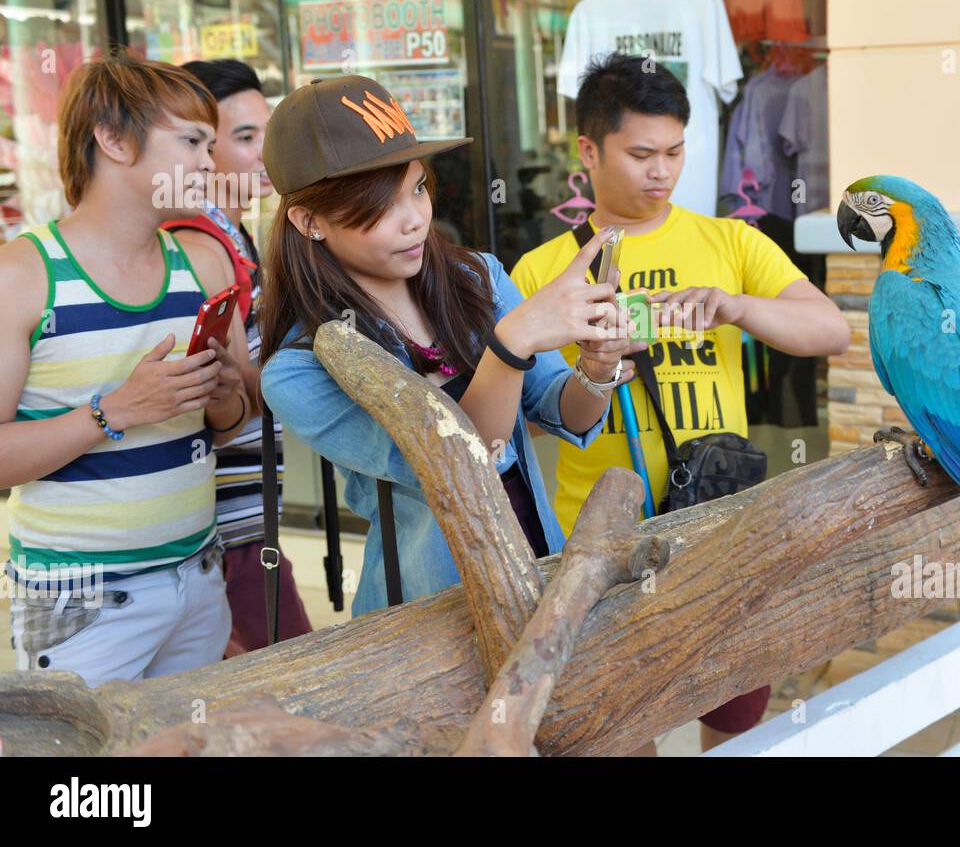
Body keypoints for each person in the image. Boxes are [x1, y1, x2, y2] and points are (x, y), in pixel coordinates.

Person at [511, 52, 850, 753]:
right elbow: (534, 414)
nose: (661, 171)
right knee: (614, 724)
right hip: (599, 543)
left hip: (718, 526)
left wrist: (736, 305)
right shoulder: (544, 270)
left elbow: (831, 330)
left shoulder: (727, 240)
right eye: (640, 154)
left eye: (674, 151)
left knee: (731, 719)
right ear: (588, 150)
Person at [257, 74, 632, 616]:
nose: (414, 219)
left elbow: (565, 414)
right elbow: (456, 465)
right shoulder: (299, 369)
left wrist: (598, 363)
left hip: (542, 568)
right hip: (431, 610)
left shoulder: (478, 277)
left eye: (417, 188)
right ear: (309, 221)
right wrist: (511, 344)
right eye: (381, 206)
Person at [0, 50, 249, 687]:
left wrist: (222, 395)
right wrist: (114, 413)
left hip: (197, 575)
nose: (208, 162)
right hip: (79, 598)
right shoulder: (22, 276)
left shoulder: (207, 266)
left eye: (212, 144)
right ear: (111, 138)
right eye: (192, 141)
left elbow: (234, 419)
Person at [161, 58, 313, 653]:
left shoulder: (237, 236)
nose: (263, 153)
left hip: (247, 510)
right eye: (244, 138)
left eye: (266, 134)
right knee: (290, 681)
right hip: (225, 518)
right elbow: (214, 392)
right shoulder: (198, 241)